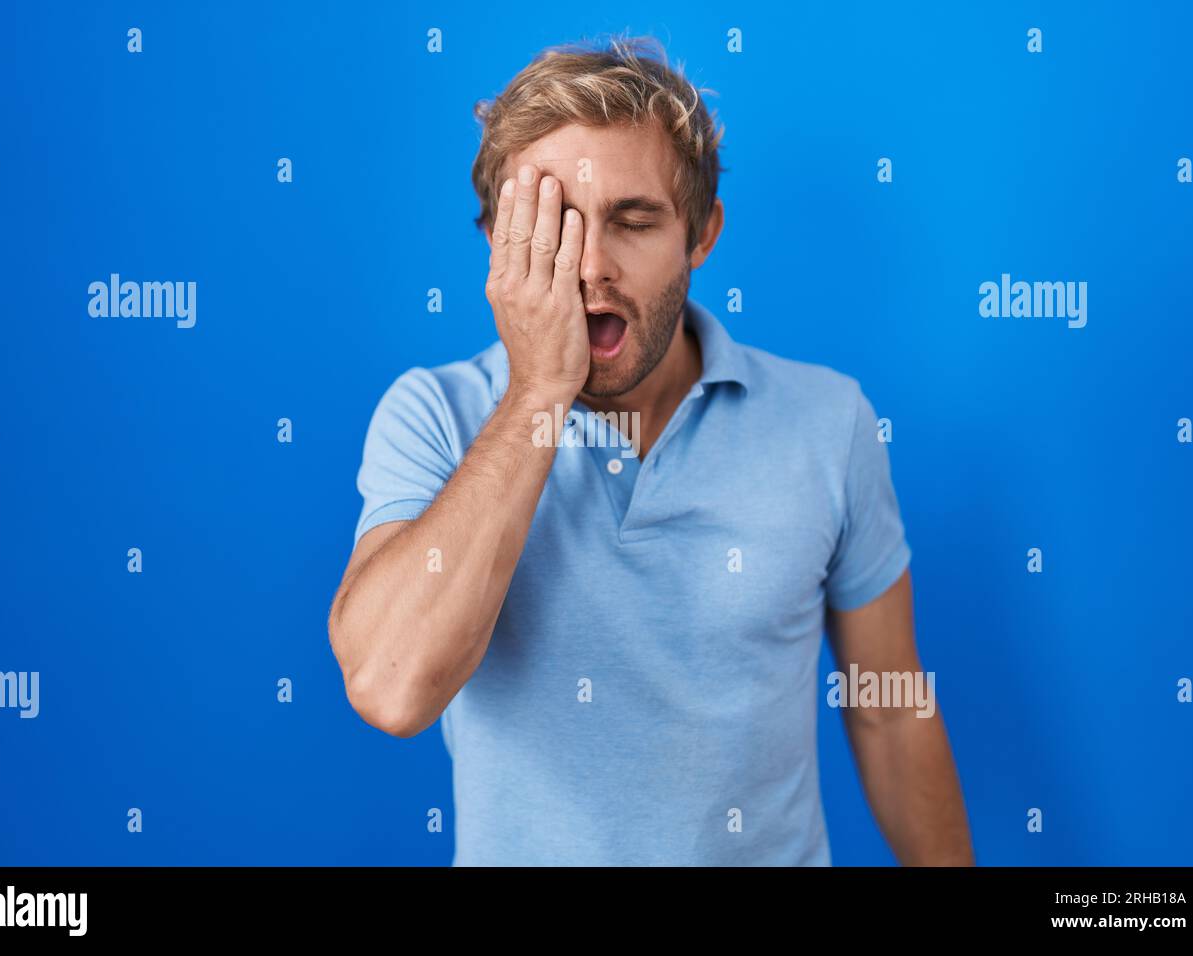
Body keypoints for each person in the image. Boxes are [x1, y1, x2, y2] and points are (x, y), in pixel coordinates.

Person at [328, 34, 972, 866]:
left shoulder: (829, 421)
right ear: (496, 240)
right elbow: (389, 686)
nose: (591, 267)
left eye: (633, 221)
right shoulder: (435, 414)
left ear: (700, 234)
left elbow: (888, 707)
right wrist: (536, 395)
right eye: (553, 227)